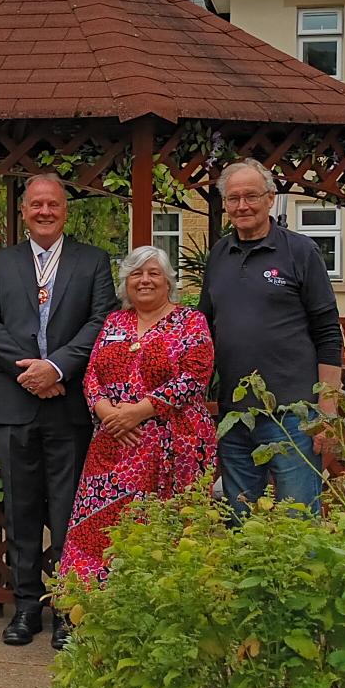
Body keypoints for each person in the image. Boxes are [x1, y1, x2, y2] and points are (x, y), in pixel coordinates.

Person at [0, 174, 115, 649]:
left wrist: (57, 368)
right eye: (36, 204)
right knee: (20, 510)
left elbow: (100, 320)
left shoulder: (92, 261)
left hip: (67, 403)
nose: (44, 212)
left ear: (65, 210)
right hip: (16, 403)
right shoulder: (2, 262)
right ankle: (27, 608)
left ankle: (67, 609)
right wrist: (32, 371)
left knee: (67, 511)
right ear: (24, 211)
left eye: (52, 204)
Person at [60, 246, 216, 582]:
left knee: (168, 531)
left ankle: (161, 606)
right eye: (136, 274)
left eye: (153, 273)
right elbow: (91, 375)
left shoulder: (191, 321)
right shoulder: (114, 321)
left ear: (168, 281)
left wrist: (139, 412)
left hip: (174, 447)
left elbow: (195, 375)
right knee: (98, 528)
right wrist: (107, 412)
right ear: (126, 283)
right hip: (114, 443)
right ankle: (92, 601)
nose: (144, 280)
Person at [200, 158, 344, 513]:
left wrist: (327, 412)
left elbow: (328, 334)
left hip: (294, 415)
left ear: (270, 198)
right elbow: (203, 329)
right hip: (235, 417)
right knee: (239, 520)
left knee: (297, 520)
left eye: (251, 196)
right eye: (233, 198)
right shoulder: (219, 255)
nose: (242, 206)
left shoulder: (300, 252)